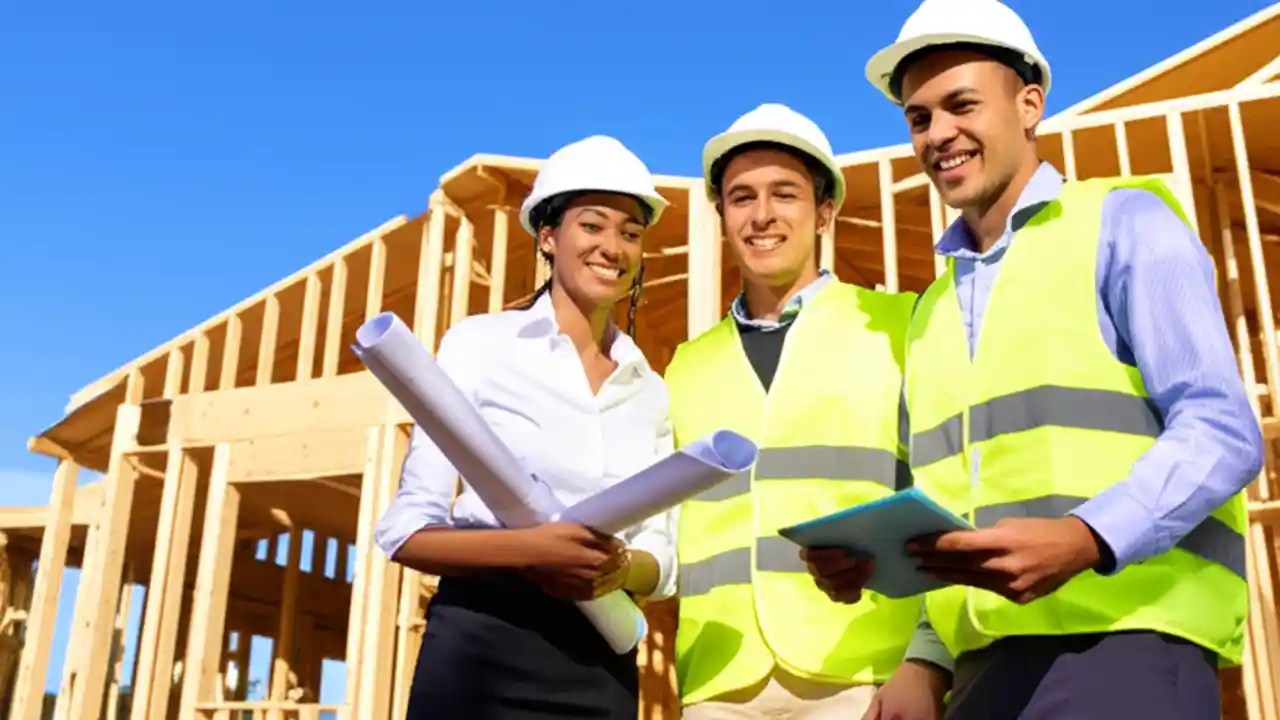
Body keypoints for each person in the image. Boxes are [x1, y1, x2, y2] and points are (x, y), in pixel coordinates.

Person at [821, 0, 1262, 717]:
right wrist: (925, 656)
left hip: (1127, 648)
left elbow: (1222, 430)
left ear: (1029, 105)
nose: (938, 133)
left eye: (961, 104)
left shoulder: (1125, 225)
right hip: (984, 669)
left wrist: (1086, 538)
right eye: (919, 117)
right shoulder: (930, 312)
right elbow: (954, 504)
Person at [372, 134, 680, 719]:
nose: (612, 247)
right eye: (592, 226)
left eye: (630, 232)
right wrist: (531, 550)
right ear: (548, 235)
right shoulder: (479, 346)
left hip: (598, 662)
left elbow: (661, 558)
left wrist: (620, 568)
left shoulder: (649, 390)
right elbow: (407, 531)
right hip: (480, 654)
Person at [662, 102, 923, 718]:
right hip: (718, 683)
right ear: (723, 215)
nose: (762, 215)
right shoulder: (685, 367)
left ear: (825, 211)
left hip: (863, 674)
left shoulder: (898, 326)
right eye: (742, 197)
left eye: (784, 194)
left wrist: (925, 660)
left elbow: (947, 495)